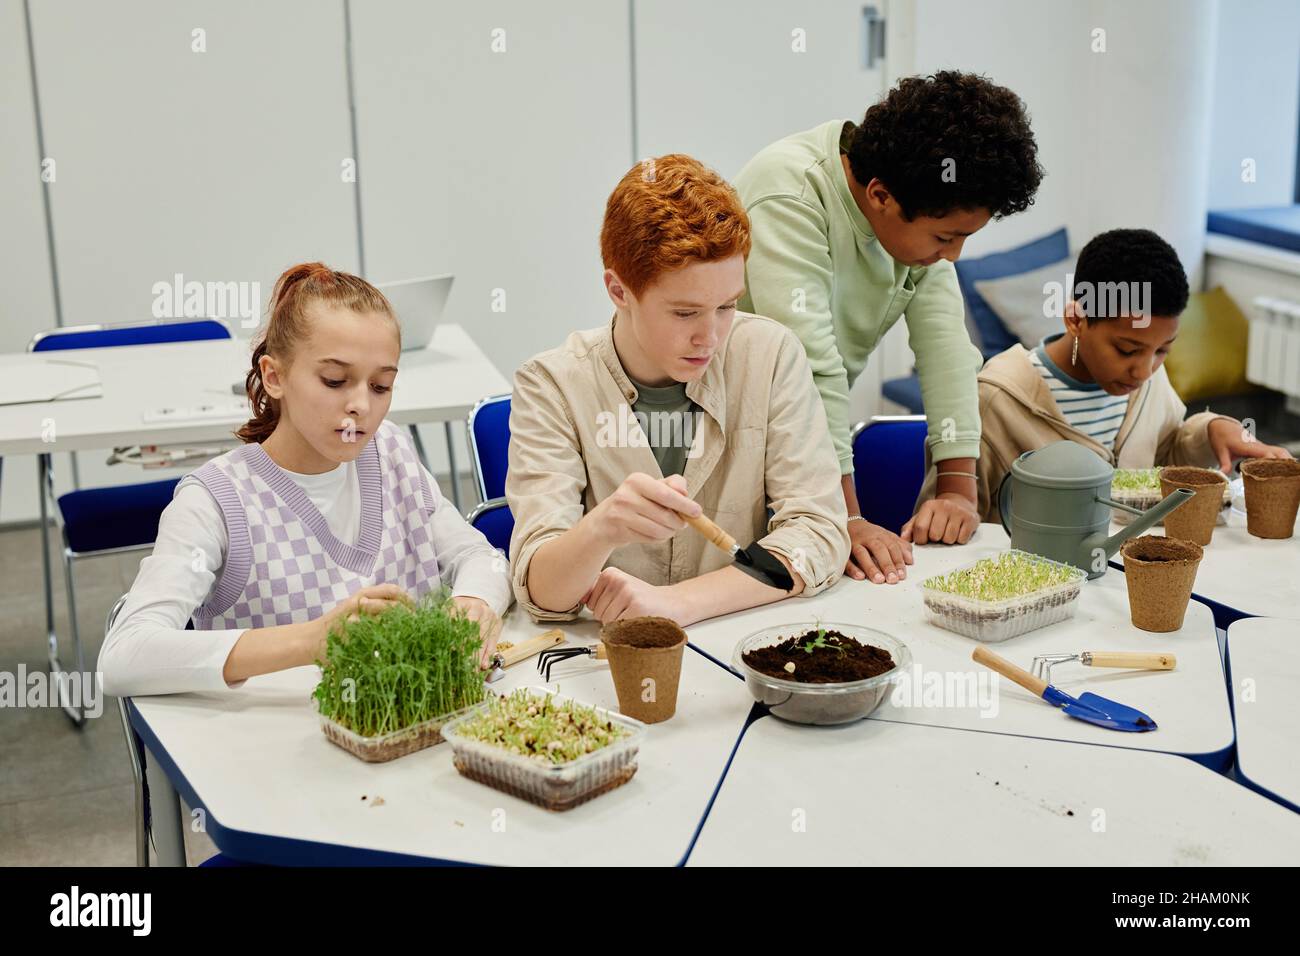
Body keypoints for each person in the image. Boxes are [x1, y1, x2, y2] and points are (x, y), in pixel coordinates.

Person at [100, 263, 512, 696]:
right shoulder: (215, 501)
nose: (360, 406)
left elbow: (480, 557)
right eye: (335, 380)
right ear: (274, 376)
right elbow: (124, 656)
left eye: (380, 386)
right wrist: (312, 641)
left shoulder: (391, 451)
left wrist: (475, 602)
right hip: (266, 750)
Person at [507, 154, 849, 627]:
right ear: (619, 290)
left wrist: (680, 604)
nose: (710, 337)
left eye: (727, 306)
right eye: (685, 313)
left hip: (734, 633)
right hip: (603, 660)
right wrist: (600, 529)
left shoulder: (769, 354)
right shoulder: (552, 384)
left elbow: (819, 534)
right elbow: (541, 591)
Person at [734, 70, 1044, 578]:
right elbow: (811, 370)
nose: (954, 254)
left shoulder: (911, 205)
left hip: (800, 446)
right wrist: (845, 517)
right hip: (724, 444)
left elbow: (946, 349)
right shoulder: (790, 196)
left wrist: (958, 489)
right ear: (880, 196)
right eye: (946, 238)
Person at [916, 229, 1293, 520]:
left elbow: (1164, 456)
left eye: (1162, 350)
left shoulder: (1147, 382)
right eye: (1127, 350)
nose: (1144, 370)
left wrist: (1211, 431)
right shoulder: (995, 400)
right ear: (1076, 319)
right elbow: (950, 517)